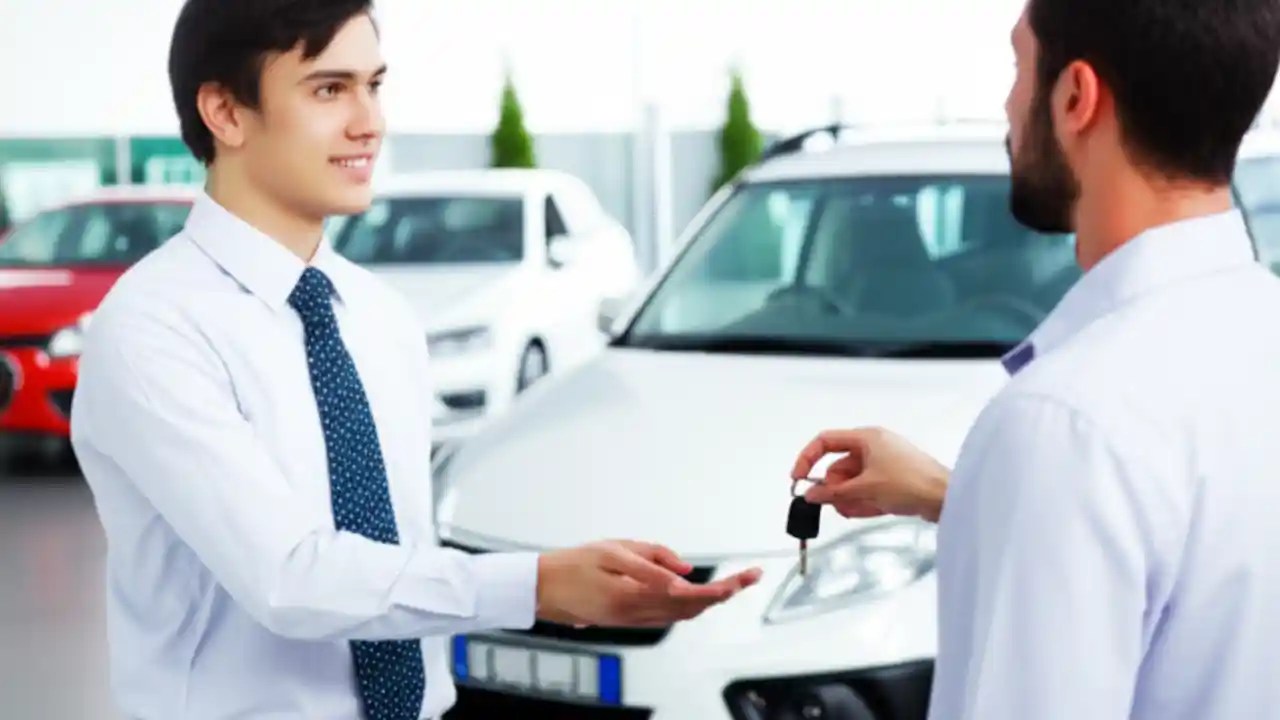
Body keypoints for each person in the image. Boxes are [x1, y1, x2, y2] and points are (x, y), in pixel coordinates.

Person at [68, 2, 762, 719]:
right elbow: (290, 579)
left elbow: (401, 553)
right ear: (225, 112)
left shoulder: (378, 315)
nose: (370, 122)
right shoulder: (152, 327)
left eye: (374, 85)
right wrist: (538, 585)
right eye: (329, 89)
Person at [791, 0, 1280, 718]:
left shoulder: (1067, 421)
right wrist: (965, 498)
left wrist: (1025, 483)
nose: (1007, 104)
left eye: (1019, 66)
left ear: (1076, 97)